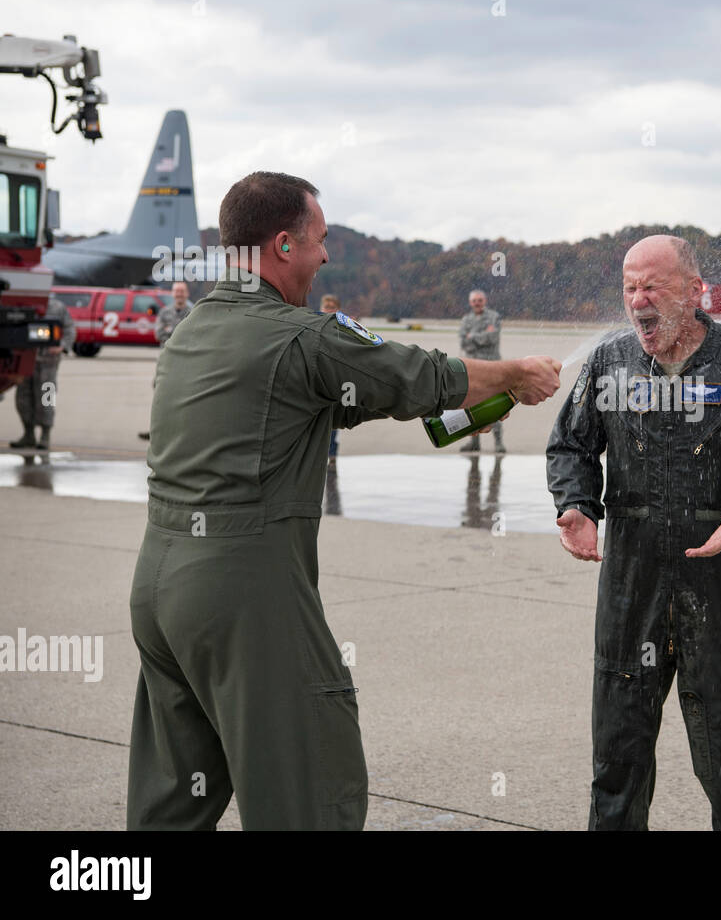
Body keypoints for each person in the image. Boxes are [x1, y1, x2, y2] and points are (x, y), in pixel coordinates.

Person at [127, 171, 561, 830]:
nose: (326, 255)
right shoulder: (299, 336)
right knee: (311, 792)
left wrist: (464, 400)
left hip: (160, 592)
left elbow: (333, 401)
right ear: (280, 245)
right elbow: (414, 374)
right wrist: (515, 375)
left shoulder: (193, 332)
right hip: (241, 594)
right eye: (318, 240)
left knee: (172, 804)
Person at [546, 234, 721, 830]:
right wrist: (578, 505)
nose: (638, 300)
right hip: (631, 583)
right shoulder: (609, 361)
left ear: (694, 292)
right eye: (629, 288)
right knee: (618, 754)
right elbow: (570, 445)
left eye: (652, 286)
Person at [9, 294, 76, 451]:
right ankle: (28, 434)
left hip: (48, 363)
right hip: (25, 360)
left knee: (47, 399)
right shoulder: (24, 306)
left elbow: (70, 328)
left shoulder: (57, 307)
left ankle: (45, 436)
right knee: (23, 399)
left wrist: (63, 346)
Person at [138, 281, 193, 441]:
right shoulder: (164, 313)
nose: (179, 294)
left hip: (186, 362)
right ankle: (156, 430)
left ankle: (181, 432)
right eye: (177, 291)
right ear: (172, 294)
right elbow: (159, 334)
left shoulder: (194, 312)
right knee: (160, 395)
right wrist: (179, 335)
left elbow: (194, 334)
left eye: (182, 291)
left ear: (187, 294)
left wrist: (171, 332)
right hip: (166, 362)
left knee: (184, 396)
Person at [457, 289, 505, 452]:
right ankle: (474, 443)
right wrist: (481, 336)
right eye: (474, 300)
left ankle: (498, 443)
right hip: (472, 368)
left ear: (485, 301)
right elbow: (464, 342)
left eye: (480, 300)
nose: (477, 303)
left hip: (492, 367)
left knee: (494, 405)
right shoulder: (466, 319)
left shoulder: (494, 317)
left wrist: (474, 337)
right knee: (471, 405)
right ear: (470, 303)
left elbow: (493, 338)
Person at [318, 294, 342, 466]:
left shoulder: (342, 328)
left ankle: (332, 454)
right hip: (319, 379)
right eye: (327, 307)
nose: (329, 310)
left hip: (335, 381)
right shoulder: (314, 324)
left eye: (332, 307)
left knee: (333, 421)